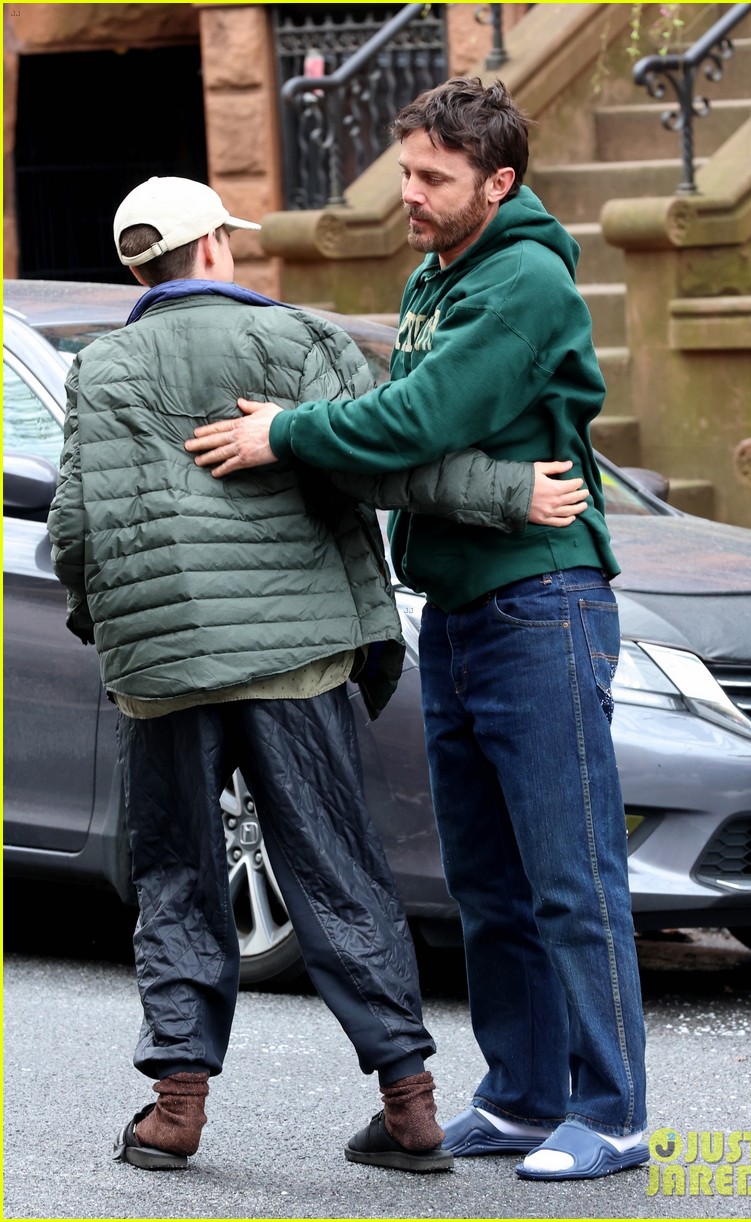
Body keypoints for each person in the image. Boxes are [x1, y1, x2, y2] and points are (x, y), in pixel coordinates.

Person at [46, 174, 589, 1175]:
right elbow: (378, 463)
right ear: (213, 246)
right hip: (297, 663)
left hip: (161, 673)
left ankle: (174, 1110)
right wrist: (509, 492)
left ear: (138, 265)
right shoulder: (297, 339)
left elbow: (73, 529)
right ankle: (411, 1104)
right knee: (335, 866)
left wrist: (113, 626)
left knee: (175, 875)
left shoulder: (103, 363)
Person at [185, 77, 649, 1183]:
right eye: (407, 173)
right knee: (488, 882)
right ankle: (525, 1096)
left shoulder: (525, 282)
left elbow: (411, 422)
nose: (412, 194)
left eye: (435, 179)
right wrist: (384, 455)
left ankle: (614, 1114)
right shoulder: (436, 274)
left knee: (571, 875)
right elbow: (402, 454)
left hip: (545, 604)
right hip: (459, 607)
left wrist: (290, 432)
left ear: (500, 181)